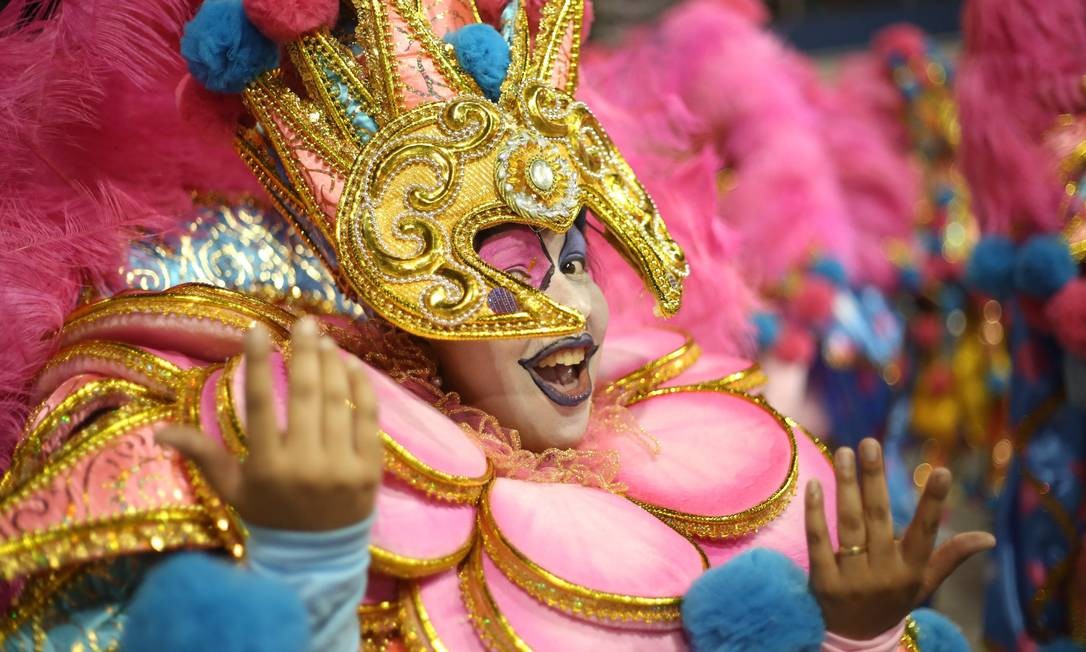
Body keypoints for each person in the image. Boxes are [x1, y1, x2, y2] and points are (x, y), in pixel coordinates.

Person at [0, 0, 990, 649]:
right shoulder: (289, 430)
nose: (578, 307)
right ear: (397, 293)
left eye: (574, 260)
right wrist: (309, 566)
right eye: (513, 267)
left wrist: (853, 631)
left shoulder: (672, 416)